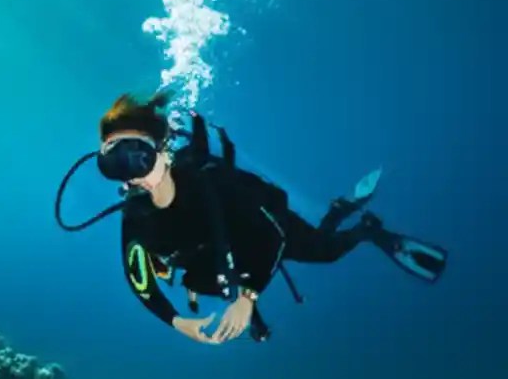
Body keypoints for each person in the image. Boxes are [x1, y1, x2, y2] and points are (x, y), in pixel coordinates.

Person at [59, 90, 448, 344]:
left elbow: (273, 238)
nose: (131, 175)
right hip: (219, 260)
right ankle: (340, 218)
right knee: (210, 276)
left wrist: (247, 298)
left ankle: (359, 225)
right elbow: (139, 279)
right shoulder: (136, 216)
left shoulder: (212, 186)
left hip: (264, 231)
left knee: (325, 251)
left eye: (138, 157)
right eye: (113, 164)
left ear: (164, 151)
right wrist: (177, 322)